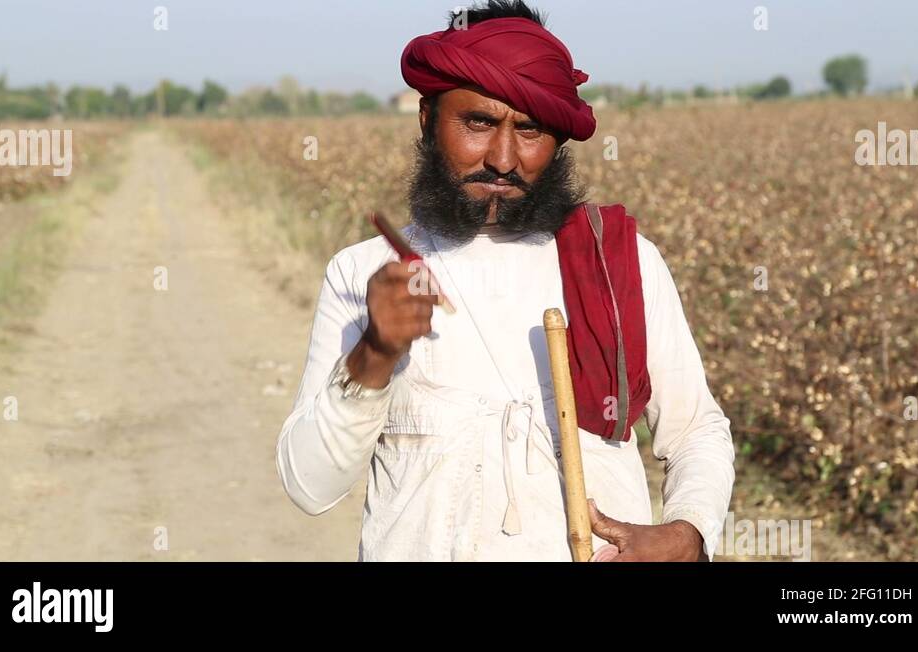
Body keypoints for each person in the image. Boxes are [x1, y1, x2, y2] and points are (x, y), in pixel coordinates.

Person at [276, 0, 735, 561]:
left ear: (559, 139)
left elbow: (696, 432)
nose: (502, 158)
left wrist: (688, 533)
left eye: (530, 130)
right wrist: (375, 352)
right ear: (427, 120)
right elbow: (309, 486)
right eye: (478, 123)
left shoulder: (618, 264)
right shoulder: (366, 273)